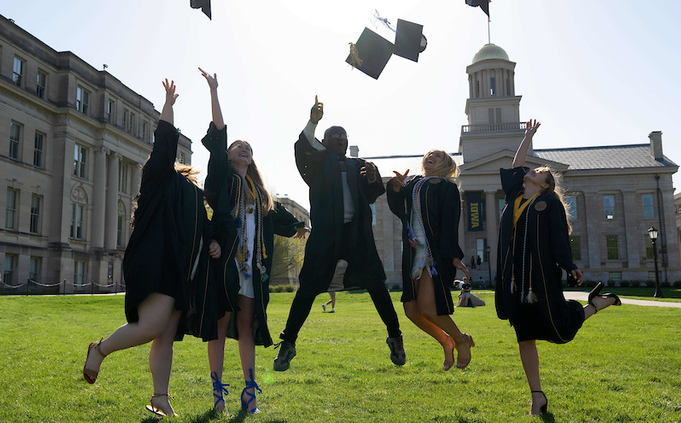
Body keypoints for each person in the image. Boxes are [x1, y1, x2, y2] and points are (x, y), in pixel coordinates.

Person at [81, 79, 221, 418]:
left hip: (179, 270)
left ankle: (160, 397)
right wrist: (169, 105)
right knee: (151, 327)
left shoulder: (192, 193)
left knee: (166, 333)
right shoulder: (157, 177)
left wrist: (213, 239)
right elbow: (164, 144)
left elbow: (202, 227)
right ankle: (99, 350)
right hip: (157, 261)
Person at [197, 69, 307, 414]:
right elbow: (217, 135)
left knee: (247, 325)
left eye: (248, 147)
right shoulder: (223, 178)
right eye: (237, 147)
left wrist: (303, 227)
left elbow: (284, 221)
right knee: (219, 324)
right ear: (229, 156)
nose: (243, 149)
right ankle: (217, 394)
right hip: (225, 263)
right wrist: (215, 92)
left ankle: (249, 392)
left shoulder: (261, 197)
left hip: (252, 270)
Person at [495, 120, 622, 416]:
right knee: (524, 335)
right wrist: (527, 136)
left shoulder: (548, 203)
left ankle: (595, 305)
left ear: (546, 184)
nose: (533, 169)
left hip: (539, 276)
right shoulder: (515, 194)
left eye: (540, 172)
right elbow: (517, 164)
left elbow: (558, 238)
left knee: (560, 329)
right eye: (534, 169)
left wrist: (569, 265)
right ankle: (536, 396)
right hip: (514, 278)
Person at [273, 96, 406, 372]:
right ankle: (288, 344)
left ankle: (395, 337)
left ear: (347, 143)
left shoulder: (360, 164)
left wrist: (371, 178)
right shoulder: (319, 165)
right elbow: (303, 149)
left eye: (342, 138)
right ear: (324, 141)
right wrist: (312, 122)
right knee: (308, 287)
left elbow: (372, 196)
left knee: (377, 285)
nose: (339, 141)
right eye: (332, 137)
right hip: (326, 235)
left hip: (357, 235)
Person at [386, 150, 474, 371]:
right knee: (411, 310)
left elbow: (450, 222)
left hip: (433, 256)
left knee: (427, 307)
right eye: (429, 154)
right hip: (413, 254)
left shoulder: (447, 187)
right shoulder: (413, 183)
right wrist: (397, 187)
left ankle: (461, 339)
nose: (431, 157)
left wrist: (454, 256)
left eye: (438, 156)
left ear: (446, 165)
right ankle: (446, 341)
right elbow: (399, 210)